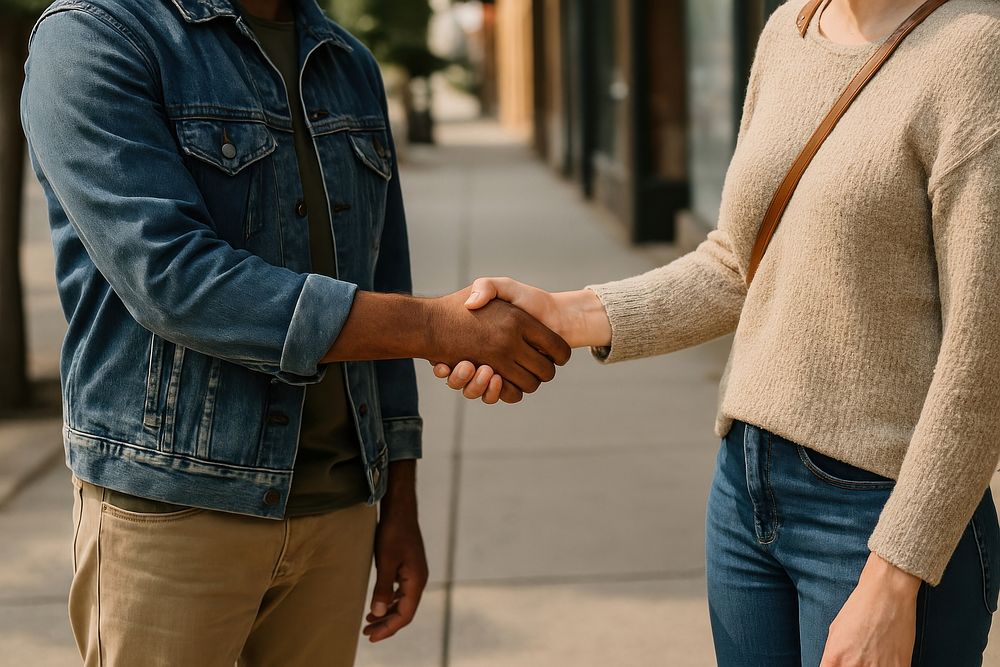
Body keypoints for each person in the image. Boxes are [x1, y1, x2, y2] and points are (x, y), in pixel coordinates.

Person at [438, 0, 1000, 664]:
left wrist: (895, 573)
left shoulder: (974, 52)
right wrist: (567, 314)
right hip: (744, 485)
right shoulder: (790, 28)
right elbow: (735, 263)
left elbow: (981, 359)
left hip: (878, 511)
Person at [20, 0, 570, 664]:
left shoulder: (346, 62)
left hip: (336, 512)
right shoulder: (95, 36)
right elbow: (173, 279)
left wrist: (397, 498)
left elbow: (382, 276)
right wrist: (441, 327)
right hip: (173, 510)